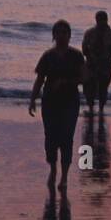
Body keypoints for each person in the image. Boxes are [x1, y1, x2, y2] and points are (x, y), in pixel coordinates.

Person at [30, 19, 86, 189]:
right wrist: (32, 99)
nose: (62, 36)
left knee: (67, 137)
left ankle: (64, 177)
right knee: (51, 137)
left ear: (69, 35)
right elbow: (40, 79)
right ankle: (53, 169)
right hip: (50, 102)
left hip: (70, 102)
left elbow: (84, 78)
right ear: (53, 35)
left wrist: (66, 82)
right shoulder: (48, 56)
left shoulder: (76, 55)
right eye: (58, 32)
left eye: (65, 32)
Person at [81, 11, 111, 114]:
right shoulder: (91, 33)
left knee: (102, 89)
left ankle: (100, 110)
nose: (101, 22)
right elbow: (84, 49)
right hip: (92, 65)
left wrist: (106, 53)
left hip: (105, 65)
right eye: (100, 20)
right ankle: (92, 109)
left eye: (103, 19)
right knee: (89, 88)